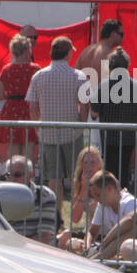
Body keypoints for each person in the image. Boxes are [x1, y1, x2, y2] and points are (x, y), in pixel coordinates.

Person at [26, 35, 88, 202]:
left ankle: (55, 215)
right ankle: (79, 214)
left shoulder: (38, 76)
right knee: (79, 177)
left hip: (48, 134)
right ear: (68, 54)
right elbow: (84, 104)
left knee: (54, 178)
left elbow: (32, 108)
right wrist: (82, 125)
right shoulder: (79, 76)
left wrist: (38, 129)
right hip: (73, 132)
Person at [93, 48, 137, 191]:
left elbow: (94, 112)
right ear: (127, 66)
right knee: (124, 169)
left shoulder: (104, 86)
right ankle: (124, 196)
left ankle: (109, 196)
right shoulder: (136, 86)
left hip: (108, 137)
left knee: (109, 170)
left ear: (110, 66)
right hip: (128, 137)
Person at [0, 33, 39, 161]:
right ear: (27, 50)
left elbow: (0, 95)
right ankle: (27, 177)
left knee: (13, 148)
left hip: (11, 109)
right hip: (29, 109)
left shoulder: (6, 70)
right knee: (29, 147)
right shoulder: (35, 69)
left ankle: (13, 175)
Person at [3, 155, 58, 245]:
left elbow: (44, 237)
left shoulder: (45, 196)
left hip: (38, 252)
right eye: (8, 175)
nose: (12, 179)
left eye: (17, 175)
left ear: (30, 175)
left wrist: (15, 244)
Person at [57, 146, 103, 249]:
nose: (89, 167)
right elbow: (75, 218)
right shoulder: (79, 184)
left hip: (104, 233)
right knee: (65, 235)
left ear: (99, 165)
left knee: (70, 244)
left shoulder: (106, 182)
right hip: (88, 233)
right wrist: (83, 190)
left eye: (92, 162)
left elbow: (100, 213)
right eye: (86, 163)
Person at [75, 19, 124, 85]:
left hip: (84, 93)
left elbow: (75, 76)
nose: (122, 38)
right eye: (121, 34)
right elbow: (111, 84)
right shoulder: (111, 55)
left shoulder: (86, 51)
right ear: (113, 34)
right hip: (100, 94)